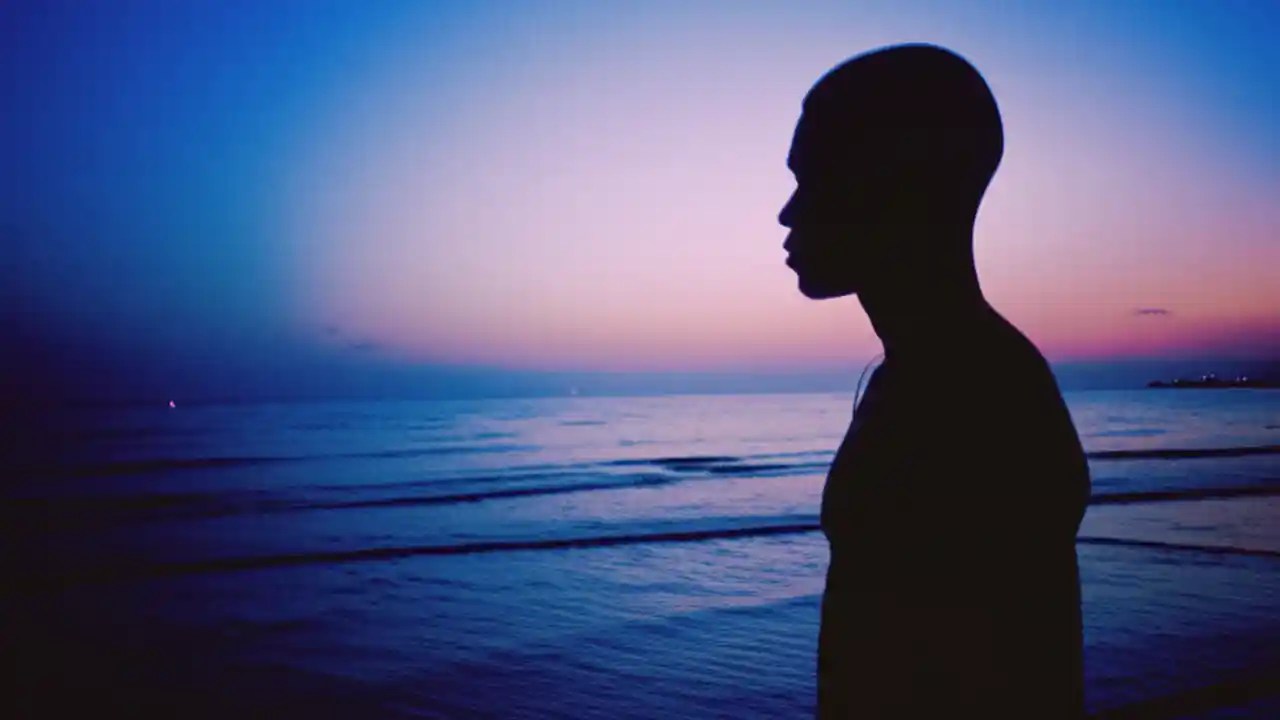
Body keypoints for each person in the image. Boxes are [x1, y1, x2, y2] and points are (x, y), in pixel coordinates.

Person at [778, 44, 1091, 718]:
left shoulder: (977, 399)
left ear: (888, 185)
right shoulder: (934, 376)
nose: (787, 213)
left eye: (813, 180)